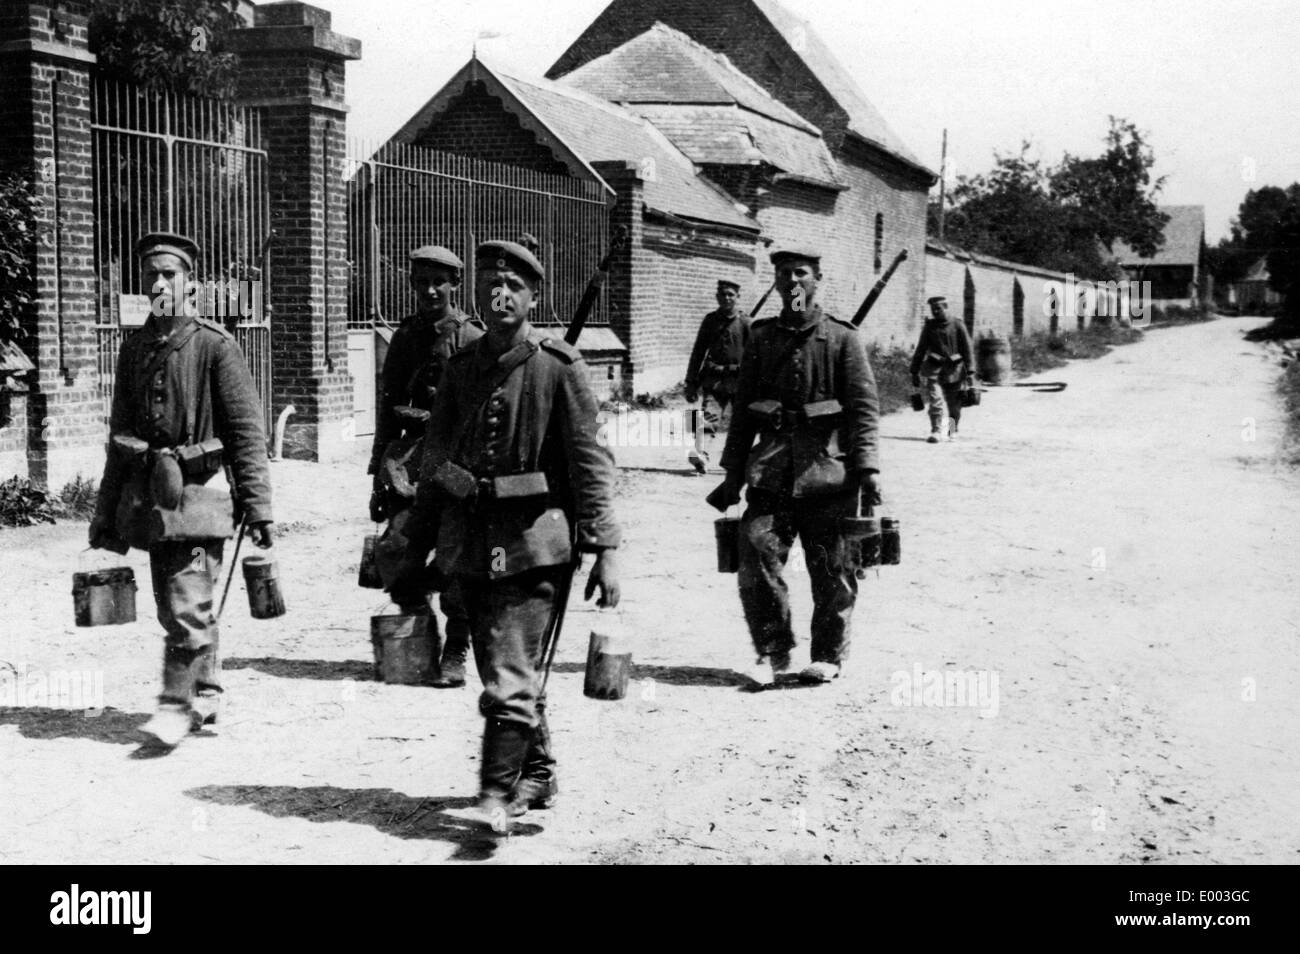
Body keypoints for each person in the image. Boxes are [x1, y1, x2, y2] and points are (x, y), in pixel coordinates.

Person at [410, 239, 621, 832]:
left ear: (534, 297)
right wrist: (425, 533)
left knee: (507, 673)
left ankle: (497, 796)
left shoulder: (558, 366)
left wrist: (606, 549)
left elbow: (590, 463)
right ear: (475, 292)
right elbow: (435, 457)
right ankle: (541, 770)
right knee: (505, 664)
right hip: (472, 541)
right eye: (489, 284)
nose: (499, 294)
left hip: (535, 543)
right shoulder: (460, 369)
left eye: (514, 287)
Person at [89, 232, 273, 749]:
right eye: (151, 274)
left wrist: (258, 508)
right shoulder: (134, 349)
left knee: (187, 603)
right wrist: (106, 514)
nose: (160, 282)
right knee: (174, 607)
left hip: (202, 497)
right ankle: (207, 690)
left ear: (190, 281)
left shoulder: (215, 345)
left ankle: (175, 707)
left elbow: (245, 433)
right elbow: (118, 435)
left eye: (171, 273)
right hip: (151, 499)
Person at [716, 248, 881, 687]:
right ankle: (774, 652)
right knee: (756, 554)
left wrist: (868, 470)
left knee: (833, 568)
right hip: (770, 472)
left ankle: (827, 655)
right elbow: (741, 413)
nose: (792, 280)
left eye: (801, 273)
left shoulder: (842, 339)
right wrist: (732, 471)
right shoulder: (761, 337)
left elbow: (864, 411)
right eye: (783, 273)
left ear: (817, 279)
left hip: (828, 474)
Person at [369, 245, 484, 688]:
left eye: (440, 282)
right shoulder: (405, 335)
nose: (430, 290)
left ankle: (456, 648)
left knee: (457, 556)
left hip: (453, 461)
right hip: (408, 462)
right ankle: (421, 630)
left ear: (456, 285)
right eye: (421, 282)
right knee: (397, 549)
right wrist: (378, 469)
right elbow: (387, 402)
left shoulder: (471, 339)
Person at [685, 279, 749, 474]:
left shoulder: (747, 322)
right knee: (707, 416)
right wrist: (691, 382)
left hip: (740, 380)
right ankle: (700, 455)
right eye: (722, 294)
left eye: (731, 294)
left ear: (738, 297)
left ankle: (739, 462)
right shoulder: (710, 320)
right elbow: (698, 352)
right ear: (717, 297)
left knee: (743, 422)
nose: (726, 298)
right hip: (714, 379)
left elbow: (755, 355)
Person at [909, 295, 974, 442]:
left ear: (946, 308)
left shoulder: (958, 325)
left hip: (954, 371)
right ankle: (936, 431)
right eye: (933, 309)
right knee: (935, 401)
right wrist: (914, 370)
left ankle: (951, 431)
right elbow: (921, 349)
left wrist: (970, 370)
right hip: (933, 369)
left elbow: (967, 348)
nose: (935, 312)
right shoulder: (929, 326)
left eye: (938, 308)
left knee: (954, 405)